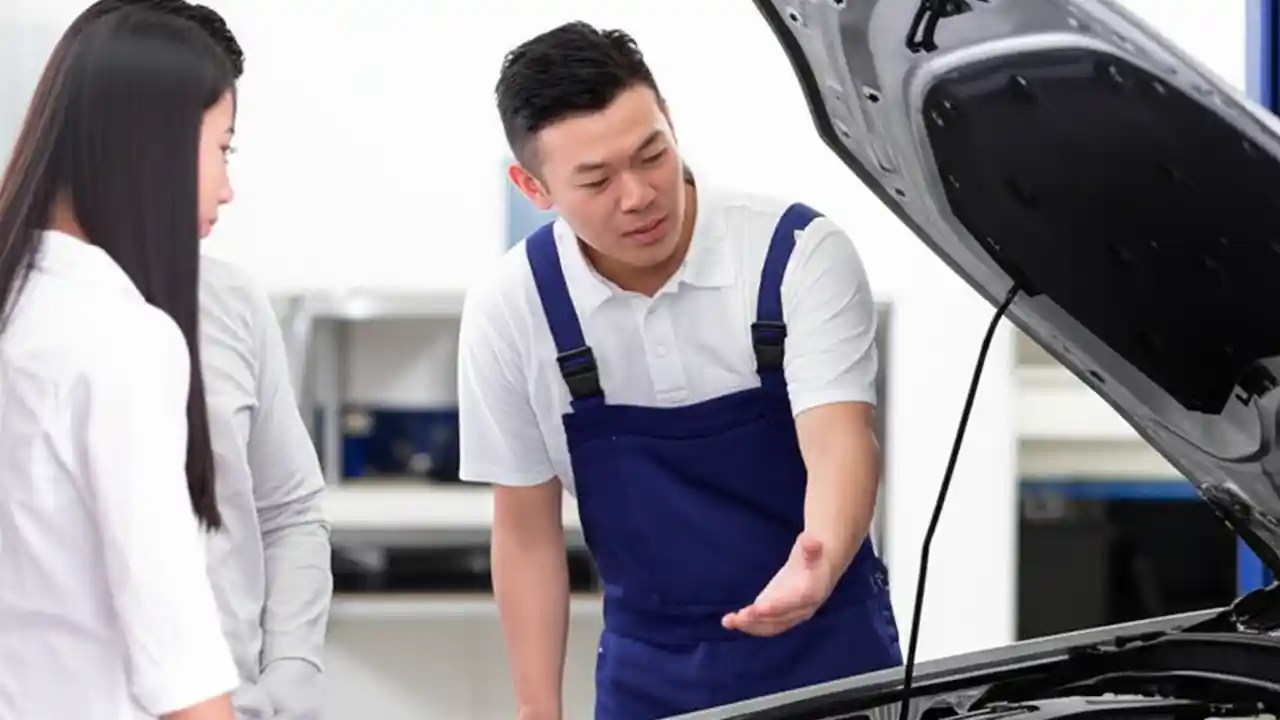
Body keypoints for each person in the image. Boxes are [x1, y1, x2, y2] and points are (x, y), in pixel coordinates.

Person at [458, 20, 903, 720]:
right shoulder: (511, 308)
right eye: (596, 180)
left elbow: (842, 439)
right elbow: (524, 529)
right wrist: (537, 709)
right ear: (533, 186)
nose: (637, 196)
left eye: (651, 154)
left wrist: (818, 563)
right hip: (650, 678)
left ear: (669, 119)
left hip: (831, 659)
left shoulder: (794, 253)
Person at [0, 1, 244, 719]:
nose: (227, 187)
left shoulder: (25, 311)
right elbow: (176, 654)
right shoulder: (118, 337)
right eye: (222, 148)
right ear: (156, 144)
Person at [169, 8, 334, 720]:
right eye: (221, 149)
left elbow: (290, 509)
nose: (228, 187)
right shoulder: (37, 319)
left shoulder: (229, 301)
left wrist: (290, 674)